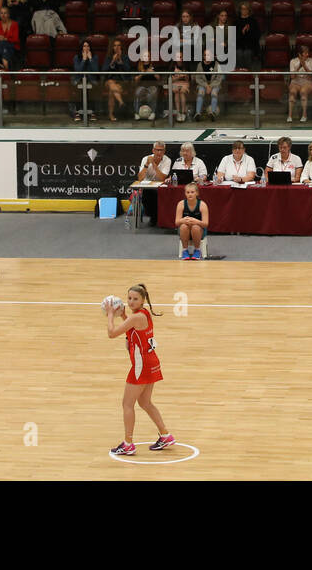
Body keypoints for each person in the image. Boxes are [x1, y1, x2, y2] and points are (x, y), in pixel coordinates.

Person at [105, 284, 174, 455]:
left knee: (127, 404)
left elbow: (112, 333)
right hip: (151, 362)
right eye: (129, 298)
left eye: (135, 299)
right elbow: (132, 330)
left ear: (143, 300)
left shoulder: (136, 318)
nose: (131, 301)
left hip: (141, 366)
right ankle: (165, 435)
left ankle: (128, 443)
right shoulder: (142, 314)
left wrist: (111, 315)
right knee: (144, 402)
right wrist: (123, 315)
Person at [174, 182, 209, 260]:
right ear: (185, 194)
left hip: (199, 230)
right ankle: (185, 250)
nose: (190, 194)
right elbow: (177, 222)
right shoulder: (181, 204)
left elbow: (206, 224)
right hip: (185, 230)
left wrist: (196, 221)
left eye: (192, 192)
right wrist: (183, 220)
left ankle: (197, 250)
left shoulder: (202, 205)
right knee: (183, 226)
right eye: (188, 192)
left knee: (195, 227)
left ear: (197, 193)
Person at [104, 37, 130, 120]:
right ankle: (121, 102)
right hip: (109, 81)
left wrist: (120, 61)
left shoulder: (125, 57)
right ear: (112, 47)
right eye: (115, 46)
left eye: (119, 45)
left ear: (121, 47)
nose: (117, 47)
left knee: (112, 91)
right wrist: (112, 61)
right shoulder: (108, 57)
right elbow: (104, 70)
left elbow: (128, 70)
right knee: (111, 82)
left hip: (121, 82)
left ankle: (111, 115)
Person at [193, 49, 223, 120]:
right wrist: (206, 85)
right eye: (206, 55)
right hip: (203, 84)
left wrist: (211, 86)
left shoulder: (217, 65)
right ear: (203, 56)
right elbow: (198, 78)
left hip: (215, 84)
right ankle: (198, 113)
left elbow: (219, 78)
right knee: (200, 93)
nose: (207, 56)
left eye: (209, 55)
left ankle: (213, 113)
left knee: (214, 93)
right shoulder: (200, 65)